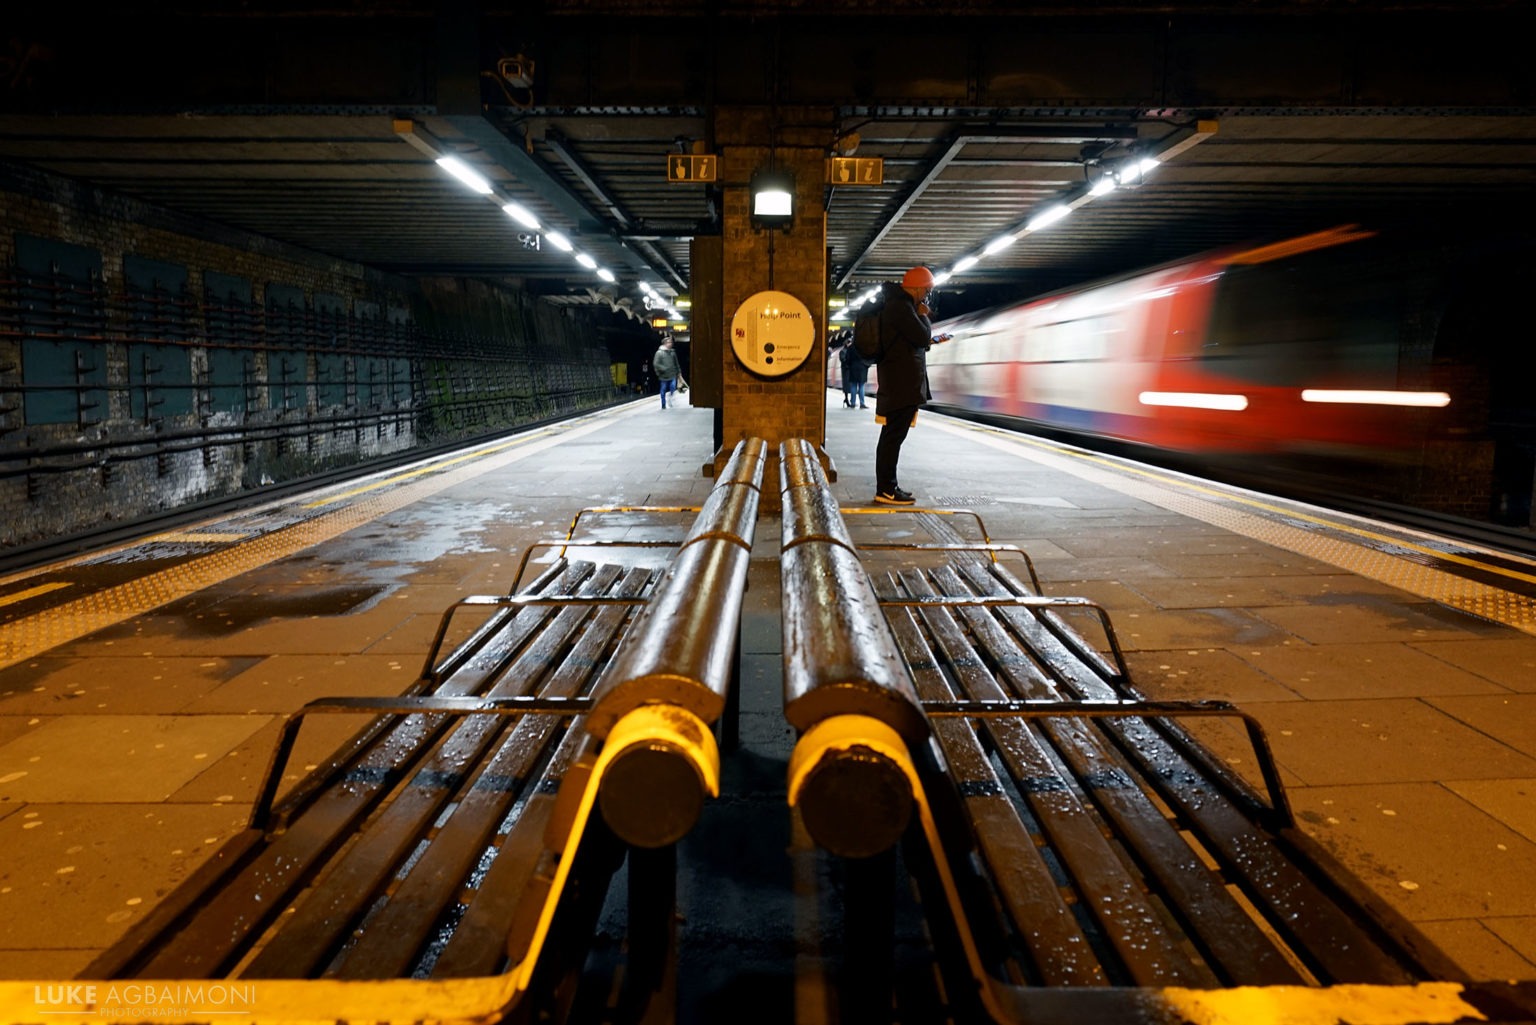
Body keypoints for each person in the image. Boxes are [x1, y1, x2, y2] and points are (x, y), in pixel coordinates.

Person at [872, 266, 950, 505]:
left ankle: (888, 486)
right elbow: (923, 337)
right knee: (892, 438)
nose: (926, 295)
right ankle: (886, 489)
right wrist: (924, 314)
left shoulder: (899, 306)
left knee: (892, 437)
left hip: (900, 384)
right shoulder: (901, 307)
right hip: (900, 385)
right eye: (926, 290)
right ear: (916, 287)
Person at [652, 335, 681, 409]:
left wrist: (679, 372)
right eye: (668, 342)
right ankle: (663, 404)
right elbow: (656, 363)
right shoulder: (659, 353)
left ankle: (670, 398)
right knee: (663, 390)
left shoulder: (673, 353)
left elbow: (676, 363)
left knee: (673, 387)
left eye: (671, 342)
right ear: (664, 343)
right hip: (663, 376)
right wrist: (663, 370)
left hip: (672, 374)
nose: (670, 344)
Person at [843, 340, 869, 409]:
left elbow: (847, 359)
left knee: (853, 386)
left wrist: (849, 365)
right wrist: (867, 366)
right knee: (861, 386)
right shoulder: (864, 347)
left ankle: (853, 403)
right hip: (862, 368)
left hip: (853, 368)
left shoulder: (851, 347)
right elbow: (868, 357)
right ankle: (862, 404)